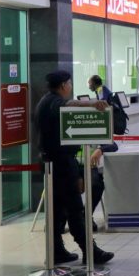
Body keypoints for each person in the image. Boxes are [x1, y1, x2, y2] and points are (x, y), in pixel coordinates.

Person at [33, 70, 114, 265]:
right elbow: (68, 105)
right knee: (75, 209)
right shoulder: (54, 101)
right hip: (60, 163)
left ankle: (57, 251)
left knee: (57, 210)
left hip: (53, 162)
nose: (70, 87)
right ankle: (90, 251)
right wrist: (91, 103)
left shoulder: (46, 100)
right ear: (63, 85)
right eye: (69, 84)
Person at [86, 76, 121, 229]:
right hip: (72, 166)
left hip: (89, 167)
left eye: (89, 83)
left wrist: (100, 149)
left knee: (97, 184)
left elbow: (113, 145)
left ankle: (85, 215)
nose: (88, 85)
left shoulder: (102, 91)